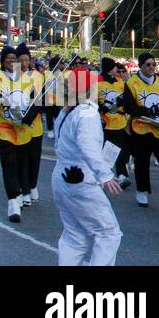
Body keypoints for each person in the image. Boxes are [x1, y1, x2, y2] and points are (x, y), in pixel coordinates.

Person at [52, 68, 124, 265]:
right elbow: (88, 146)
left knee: (74, 235)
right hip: (80, 178)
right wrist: (105, 175)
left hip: (62, 176)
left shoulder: (67, 110)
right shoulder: (86, 114)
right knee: (108, 233)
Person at [122, 52, 159, 216]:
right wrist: (146, 111)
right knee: (141, 162)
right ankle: (142, 190)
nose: (151, 67)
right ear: (141, 65)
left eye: (153, 64)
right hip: (141, 129)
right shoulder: (132, 83)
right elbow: (128, 106)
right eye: (148, 64)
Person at [0, 45, 39, 221]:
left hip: (22, 129)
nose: (12, 60)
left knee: (22, 161)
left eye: (14, 57)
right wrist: (6, 105)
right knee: (9, 161)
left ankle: (24, 192)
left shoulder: (26, 78)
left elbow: (35, 100)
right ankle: (13, 201)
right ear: (3, 59)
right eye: (8, 57)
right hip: (3, 128)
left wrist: (28, 116)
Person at [16, 45, 44, 204]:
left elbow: (40, 100)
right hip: (18, 128)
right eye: (21, 60)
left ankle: (33, 185)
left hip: (35, 127)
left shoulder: (38, 76)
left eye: (27, 60)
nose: (25, 63)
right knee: (22, 160)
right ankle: (24, 190)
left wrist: (29, 117)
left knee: (35, 159)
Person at [97, 59, 132, 188]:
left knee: (119, 150)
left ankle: (122, 175)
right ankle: (103, 175)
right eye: (113, 67)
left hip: (119, 122)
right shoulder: (98, 82)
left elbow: (126, 98)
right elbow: (93, 101)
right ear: (108, 68)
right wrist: (102, 107)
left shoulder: (120, 83)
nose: (116, 70)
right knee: (104, 151)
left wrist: (120, 102)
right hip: (104, 123)